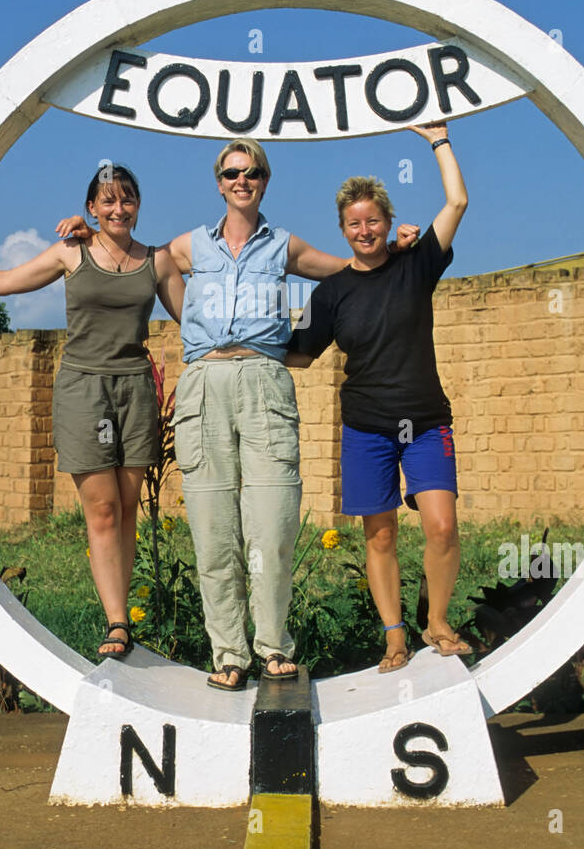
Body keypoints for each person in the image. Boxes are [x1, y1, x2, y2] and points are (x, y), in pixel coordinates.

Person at [60, 138, 419, 691]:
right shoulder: (185, 248)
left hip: (264, 383)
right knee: (213, 531)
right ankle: (228, 653)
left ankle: (274, 645)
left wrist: (392, 249)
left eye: (251, 172)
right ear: (219, 181)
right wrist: (89, 234)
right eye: (231, 172)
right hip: (203, 385)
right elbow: (126, 256)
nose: (241, 180)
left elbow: (350, 267)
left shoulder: (285, 247)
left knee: (273, 524)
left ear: (265, 180)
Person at [0, 164, 185, 660]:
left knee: (128, 509)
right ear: (91, 208)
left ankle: (123, 613)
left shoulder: (158, 261)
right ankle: (116, 623)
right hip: (83, 389)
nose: (118, 209)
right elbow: (11, 280)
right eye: (107, 201)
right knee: (103, 510)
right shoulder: (73, 251)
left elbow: (196, 322)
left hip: (135, 388)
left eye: (126, 199)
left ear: (138, 205)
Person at [285, 122, 470, 672]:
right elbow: (296, 356)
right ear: (343, 230)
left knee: (441, 525)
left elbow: (457, 200)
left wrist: (437, 139)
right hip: (366, 428)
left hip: (427, 421)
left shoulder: (417, 264)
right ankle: (394, 637)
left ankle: (436, 621)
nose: (364, 230)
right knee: (381, 532)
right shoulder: (332, 292)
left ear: (388, 221)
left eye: (373, 220)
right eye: (353, 223)